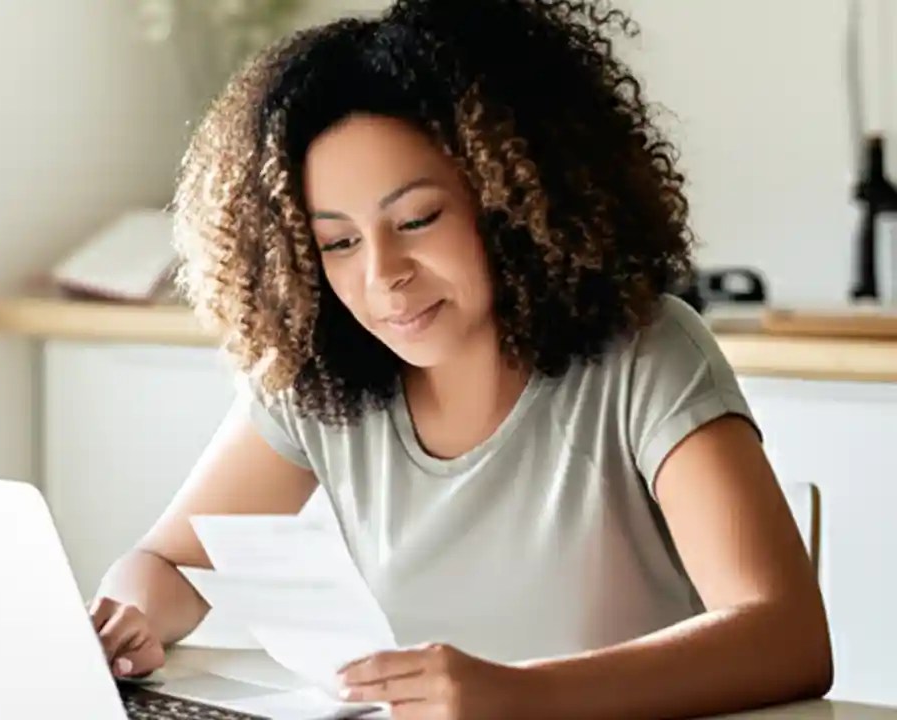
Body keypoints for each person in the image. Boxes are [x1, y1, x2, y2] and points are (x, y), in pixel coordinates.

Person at [89, 0, 833, 716]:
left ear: (513, 199)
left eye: (416, 220)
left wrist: (522, 697)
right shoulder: (320, 380)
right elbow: (171, 563)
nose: (384, 275)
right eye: (338, 242)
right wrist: (130, 620)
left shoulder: (645, 352)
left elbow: (787, 636)